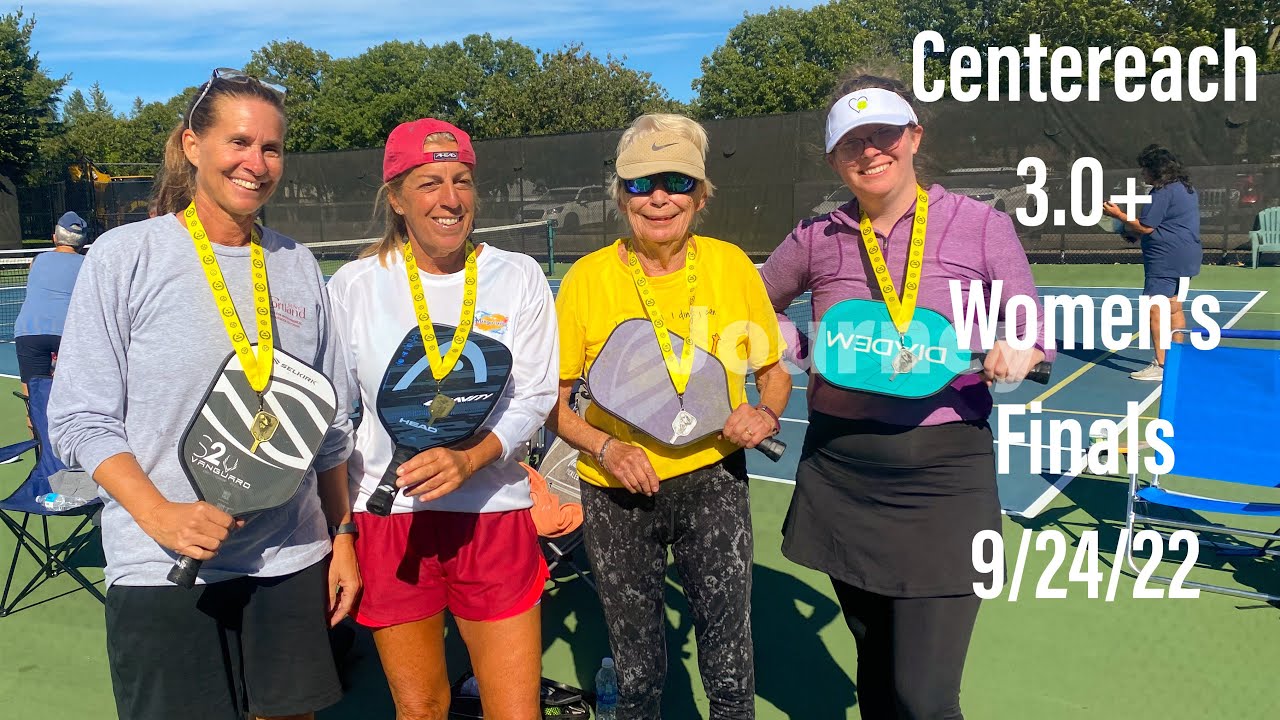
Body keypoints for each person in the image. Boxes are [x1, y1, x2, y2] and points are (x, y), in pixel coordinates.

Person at [47, 68, 358, 720]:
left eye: (271, 148)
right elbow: (81, 416)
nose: (256, 162)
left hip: (290, 557)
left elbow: (327, 423)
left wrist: (343, 535)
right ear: (193, 146)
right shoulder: (125, 256)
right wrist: (162, 516)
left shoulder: (297, 262)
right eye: (239, 143)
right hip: (161, 565)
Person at [759, 72, 1051, 720]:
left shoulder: (980, 226)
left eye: (884, 133)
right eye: (852, 140)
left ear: (913, 136)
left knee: (926, 697)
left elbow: (1029, 325)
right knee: (877, 669)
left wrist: (1019, 347)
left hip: (944, 482)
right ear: (835, 157)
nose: (870, 150)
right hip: (842, 472)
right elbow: (757, 301)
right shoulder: (817, 235)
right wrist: (780, 335)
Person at [549, 113, 791, 720]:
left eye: (676, 182)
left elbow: (774, 373)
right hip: (615, 494)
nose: (659, 198)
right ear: (621, 196)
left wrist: (764, 414)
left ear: (701, 195)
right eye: (640, 184)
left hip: (714, 483)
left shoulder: (732, 266)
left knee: (730, 666)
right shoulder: (587, 280)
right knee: (637, 673)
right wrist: (606, 449)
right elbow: (554, 403)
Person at [327, 118, 558, 720]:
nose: (449, 199)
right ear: (397, 198)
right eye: (429, 183)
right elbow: (332, 421)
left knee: (515, 711)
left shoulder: (519, 276)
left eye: (461, 181)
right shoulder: (354, 286)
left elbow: (534, 395)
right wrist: (342, 535)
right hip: (391, 519)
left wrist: (472, 458)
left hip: (493, 514)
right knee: (422, 709)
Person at [1103, 144, 1202, 381]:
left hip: (1164, 260)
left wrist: (1119, 216)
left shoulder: (1162, 192)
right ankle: (1176, 360)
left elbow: (1146, 226)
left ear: (1157, 170)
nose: (1142, 173)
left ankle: (1161, 364)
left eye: (1145, 169)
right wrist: (1131, 231)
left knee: (1155, 310)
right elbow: (1161, 225)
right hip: (1186, 256)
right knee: (1175, 308)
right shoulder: (1186, 189)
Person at [13, 211, 88, 389]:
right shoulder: (89, 264)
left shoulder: (37, 261)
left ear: (54, 238)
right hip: (70, 333)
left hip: (29, 333)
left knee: (34, 399)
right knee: (78, 395)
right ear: (83, 241)